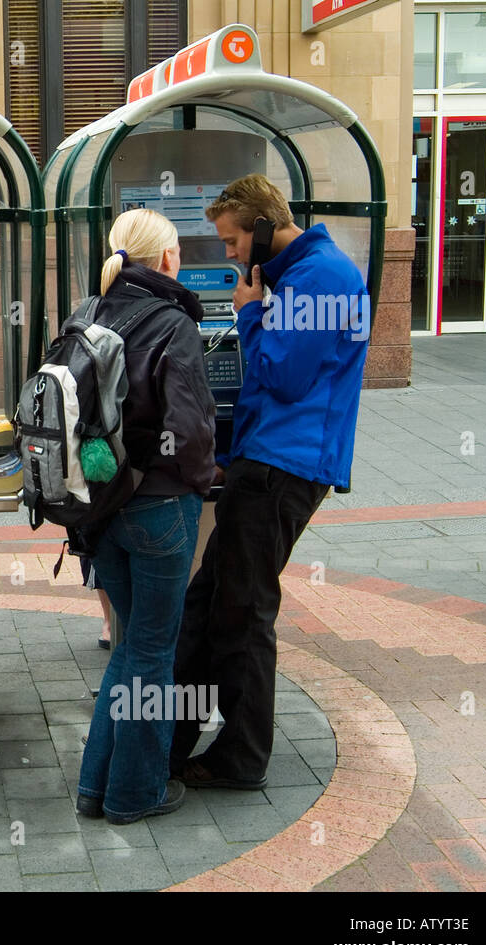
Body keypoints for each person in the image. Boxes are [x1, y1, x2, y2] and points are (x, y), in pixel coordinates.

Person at [169, 175, 369, 790]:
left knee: (244, 610)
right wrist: (232, 452)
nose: (228, 254)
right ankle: (175, 734)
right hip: (266, 460)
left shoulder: (322, 278)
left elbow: (281, 376)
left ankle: (242, 757)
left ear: (260, 227)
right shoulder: (300, 273)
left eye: (231, 240)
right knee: (210, 601)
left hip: (288, 468)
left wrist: (250, 314)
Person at [74, 208, 218, 825]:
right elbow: (187, 429)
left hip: (101, 506)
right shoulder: (172, 321)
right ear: (164, 260)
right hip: (160, 506)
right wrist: (205, 479)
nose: (180, 259)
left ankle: (95, 787)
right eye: (178, 250)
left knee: (130, 648)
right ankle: (136, 793)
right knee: (153, 654)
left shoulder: (86, 313)